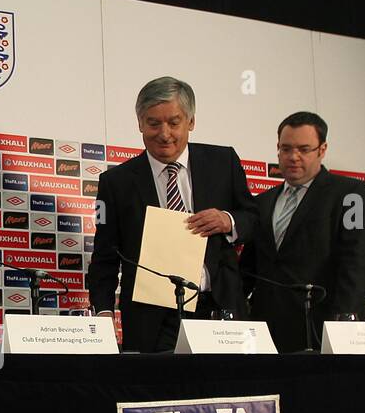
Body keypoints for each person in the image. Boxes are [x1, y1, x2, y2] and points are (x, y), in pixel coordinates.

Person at [87, 76, 257, 352]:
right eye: (153, 123)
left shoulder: (222, 162)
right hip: (151, 320)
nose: (164, 133)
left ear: (191, 122)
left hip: (219, 309)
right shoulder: (116, 183)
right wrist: (104, 311)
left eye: (174, 122)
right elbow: (105, 256)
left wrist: (228, 221)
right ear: (140, 123)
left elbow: (253, 219)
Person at [240, 111, 365, 352]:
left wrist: (340, 326)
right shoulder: (261, 203)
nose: (293, 157)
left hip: (326, 331)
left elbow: (360, 266)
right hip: (267, 336)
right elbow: (249, 269)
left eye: (304, 149)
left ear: (322, 149)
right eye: (286, 149)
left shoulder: (358, 194)